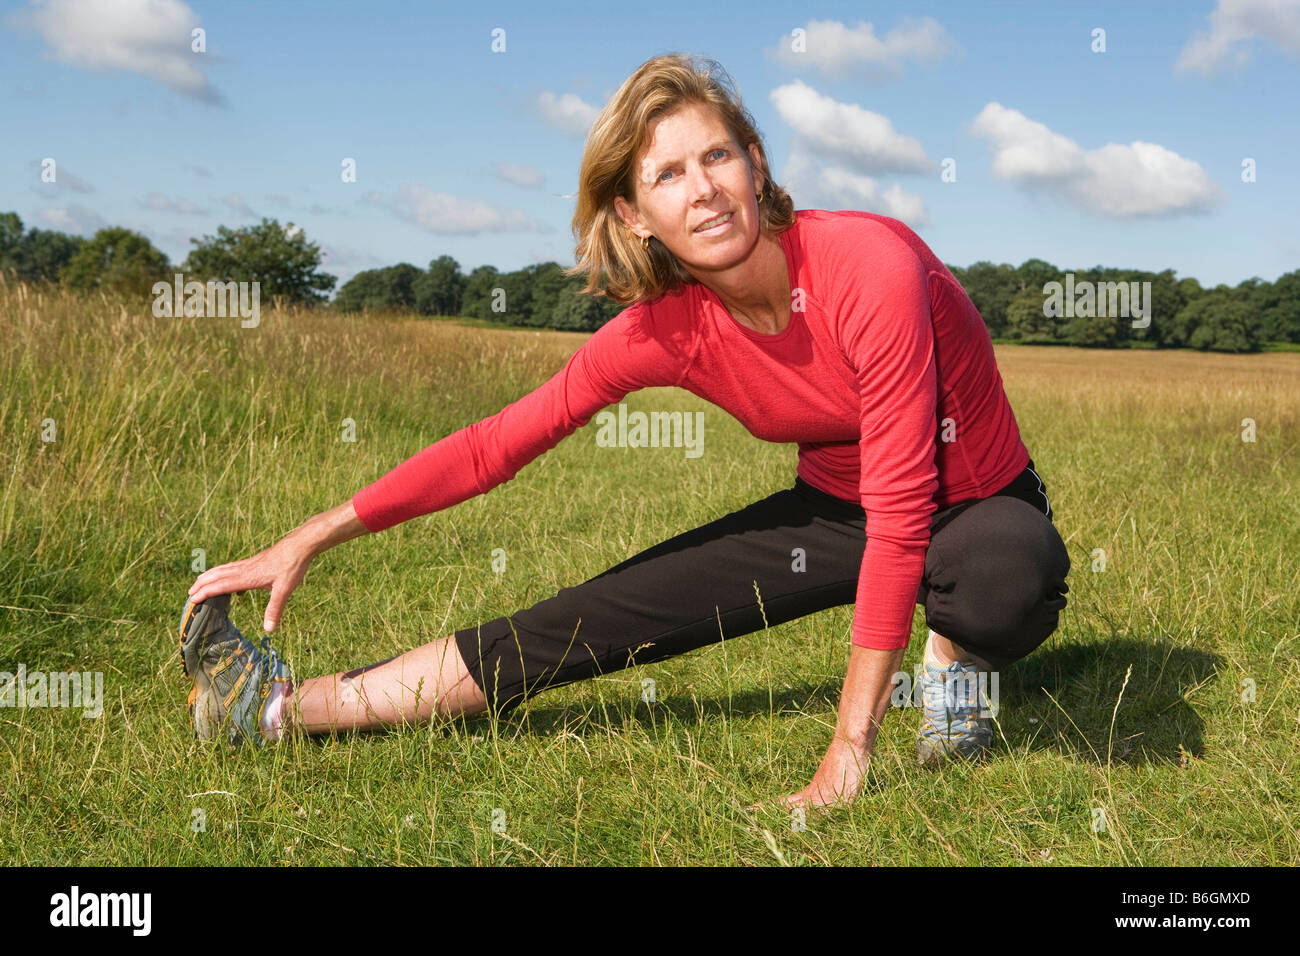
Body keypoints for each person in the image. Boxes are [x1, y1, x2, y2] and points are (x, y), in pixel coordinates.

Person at [179, 53, 1070, 809]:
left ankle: (953, 660)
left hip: (974, 504)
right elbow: (493, 448)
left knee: (1001, 571)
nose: (706, 190)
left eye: (718, 155)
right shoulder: (664, 329)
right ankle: (274, 708)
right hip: (838, 511)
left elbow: (907, 502)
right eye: (667, 174)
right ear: (634, 214)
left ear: (756, 164)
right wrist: (314, 534)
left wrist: (850, 746)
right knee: (579, 622)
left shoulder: (865, 266)